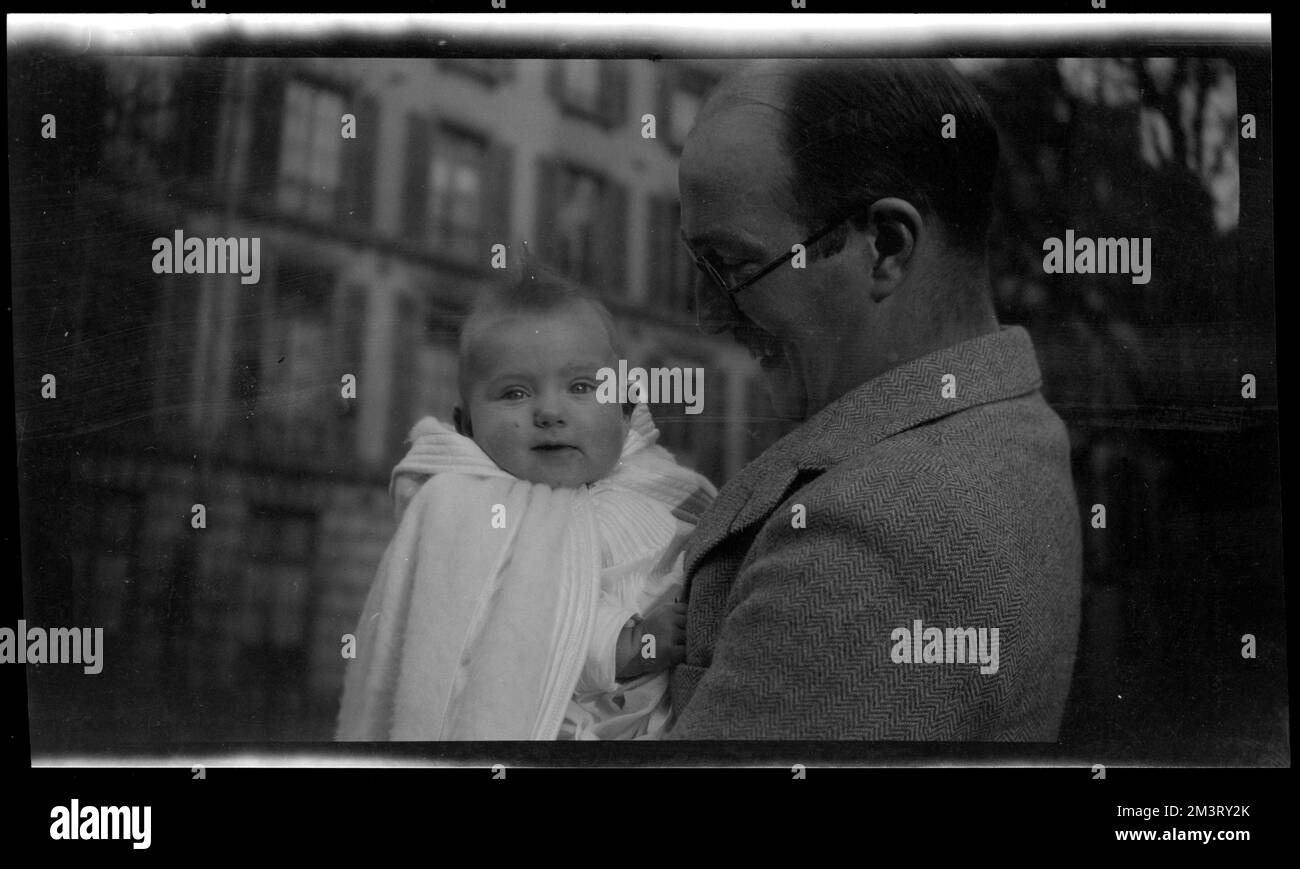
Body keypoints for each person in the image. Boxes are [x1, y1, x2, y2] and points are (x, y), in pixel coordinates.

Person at [667, 58, 1083, 739]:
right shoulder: (1006, 426)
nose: (709, 314)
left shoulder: (870, 535)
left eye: (732, 265)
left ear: (885, 247)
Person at [336, 270, 716, 740]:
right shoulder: (470, 511)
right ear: (467, 426)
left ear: (624, 407)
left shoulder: (666, 487)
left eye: (581, 388)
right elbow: (504, 626)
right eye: (515, 393)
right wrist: (623, 643)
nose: (550, 413)